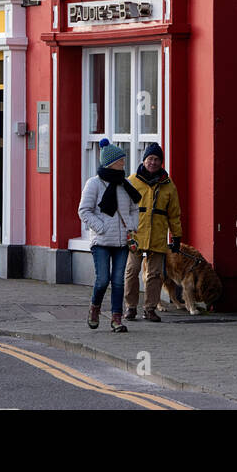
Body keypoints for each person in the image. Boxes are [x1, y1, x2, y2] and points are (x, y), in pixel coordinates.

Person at [78, 140, 141, 333]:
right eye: (121, 160)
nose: (124, 162)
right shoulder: (94, 184)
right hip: (102, 241)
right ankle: (94, 309)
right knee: (103, 280)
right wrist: (101, 227)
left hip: (122, 242)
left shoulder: (125, 184)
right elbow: (84, 211)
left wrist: (131, 226)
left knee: (119, 281)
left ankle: (116, 319)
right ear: (111, 162)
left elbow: (134, 209)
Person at [123, 142, 183, 322]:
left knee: (155, 275)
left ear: (161, 162)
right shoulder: (132, 181)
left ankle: (150, 308)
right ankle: (130, 307)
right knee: (132, 271)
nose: (153, 162)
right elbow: (123, 209)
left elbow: (174, 213)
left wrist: (177, 236)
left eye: (157, 159)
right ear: (144, 160)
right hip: (136, 234)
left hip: (157, 235)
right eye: (150, 159)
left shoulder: (168, 185)